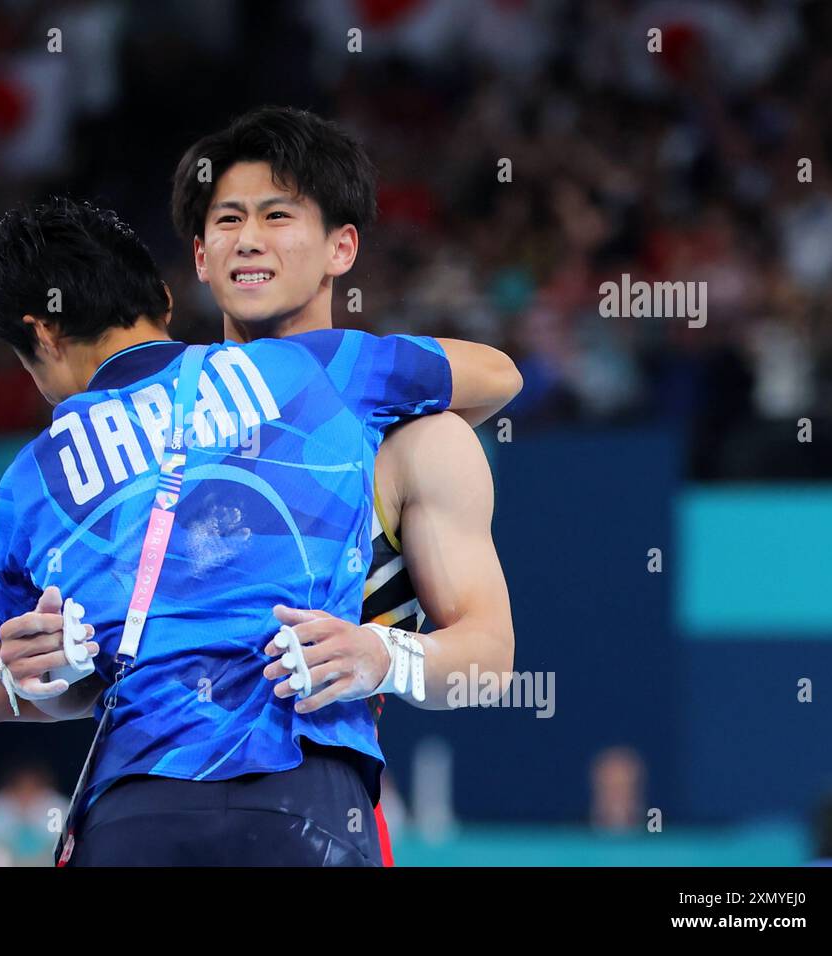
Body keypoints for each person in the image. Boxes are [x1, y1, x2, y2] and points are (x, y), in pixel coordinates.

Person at [0, 197, 513, 866]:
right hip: (308, 800)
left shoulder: (29, 479)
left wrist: (46, 681)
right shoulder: (311, 367)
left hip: (132, 811)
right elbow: (497, 374)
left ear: (42, 335)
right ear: (165, 299)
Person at [170, 106, 520, 862]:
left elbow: (490, 659)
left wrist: (382, 655)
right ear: (201, 256)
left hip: (315, 811)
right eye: (227, 220)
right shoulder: (149, 433)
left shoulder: (409, 443)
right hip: (146, 808)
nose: (249, 239)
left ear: (342, 246)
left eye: (277, 215)